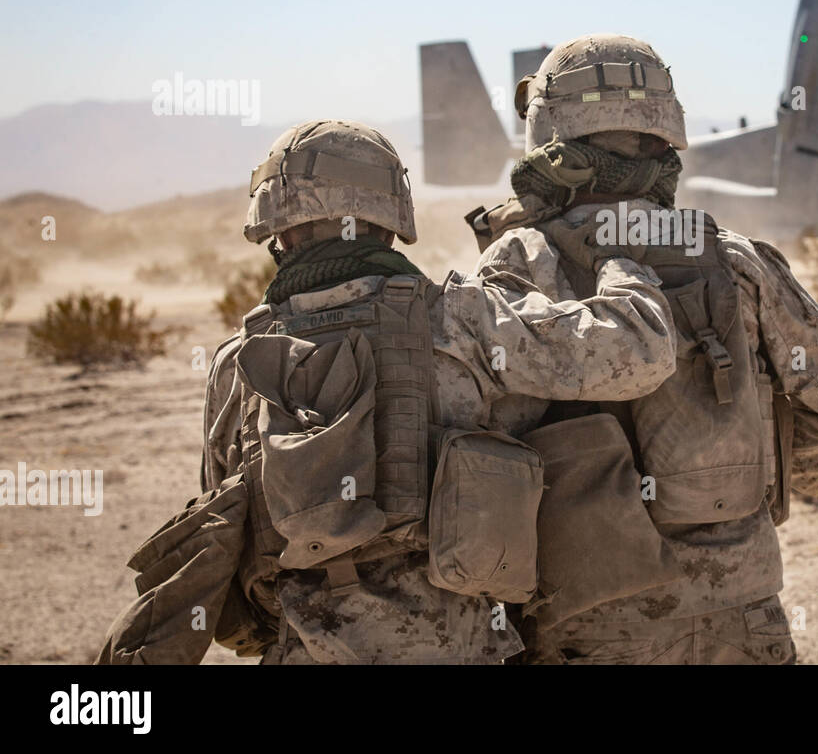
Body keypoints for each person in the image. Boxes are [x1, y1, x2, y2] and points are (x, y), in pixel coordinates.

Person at [98, 119, 677, 665]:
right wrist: (619, 257)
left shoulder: (239, 361)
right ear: (390, 216)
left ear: (278, 226)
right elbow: (641, 351)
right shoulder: (460, 317)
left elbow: (230, 515)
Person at [467, 34, 818, 664]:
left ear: (549, 132)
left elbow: (478, 447)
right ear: (666, 132)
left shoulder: (519, 261)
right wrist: (757, 496)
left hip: (595, 624)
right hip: (745, 612)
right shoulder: (731, 257)